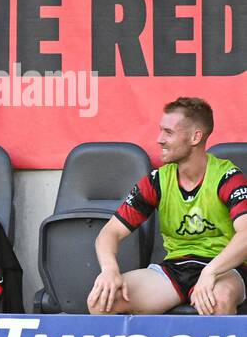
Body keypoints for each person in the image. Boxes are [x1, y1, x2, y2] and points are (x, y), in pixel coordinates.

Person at [88, 97, 247, 316]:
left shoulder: (227, 177)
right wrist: (109, 269)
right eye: (161, 131)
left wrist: (210, 272)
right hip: (176, 268)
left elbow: (245, 235)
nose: (159, 139)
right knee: (102, 301)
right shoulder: (157, 181)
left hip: (224, 268)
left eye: (168, 132)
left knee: (217, 300)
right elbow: (109, 232)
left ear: (195, 137)